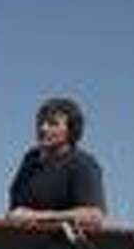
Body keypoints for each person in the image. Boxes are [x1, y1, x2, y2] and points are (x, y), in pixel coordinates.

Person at [7, 95, 107, 230]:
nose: (43, 128)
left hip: (64, 243)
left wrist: (37, 217)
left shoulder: (82, 164)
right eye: (40, 122)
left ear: (70, 130)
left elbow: (94, 216)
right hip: (23, 241)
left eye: (53, 124)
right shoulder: (30, 161)